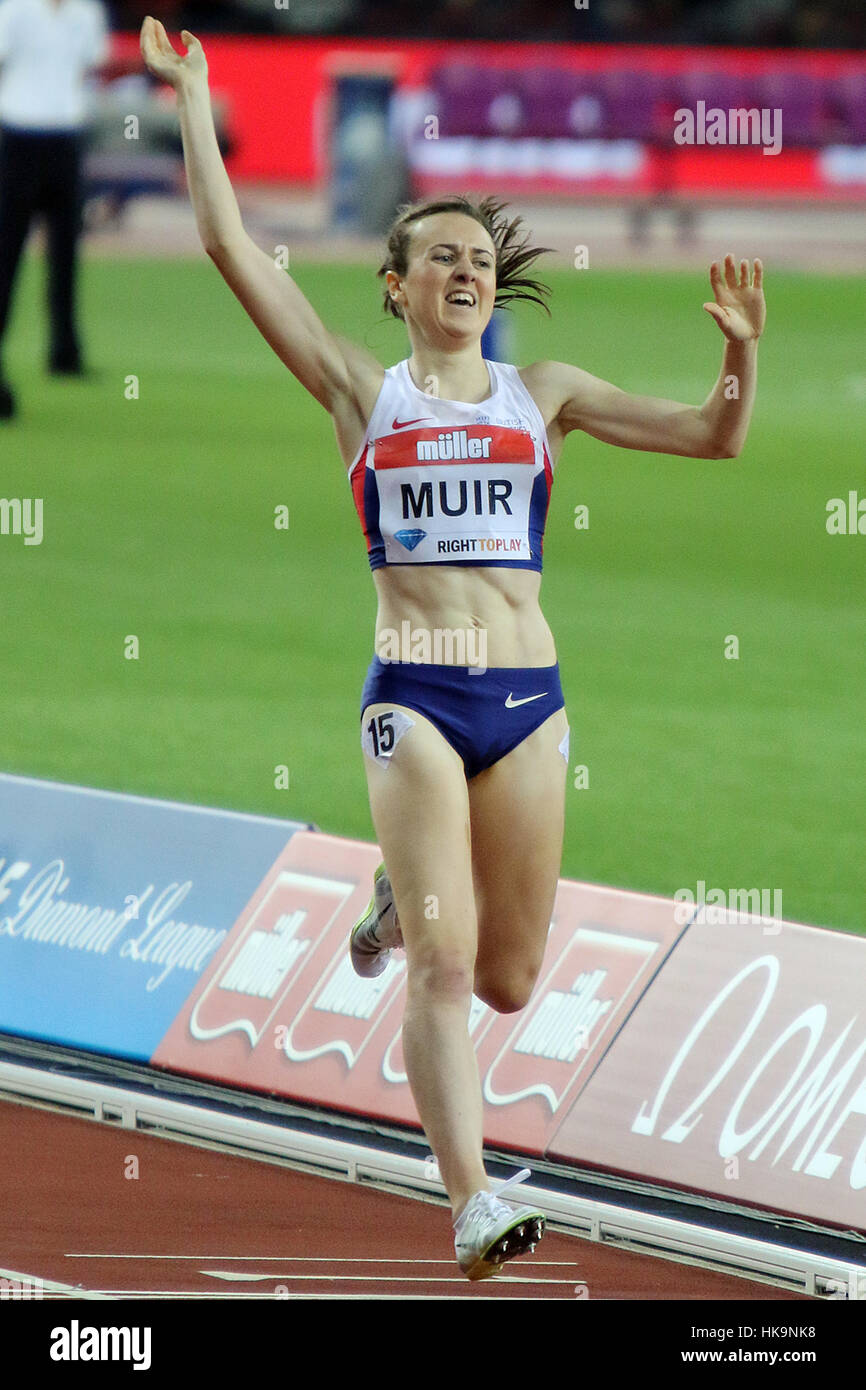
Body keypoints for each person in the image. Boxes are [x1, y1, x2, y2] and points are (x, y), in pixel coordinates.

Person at [139, 17, 766, 1281]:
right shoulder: (361, 392)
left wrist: (738, 361)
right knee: (442, 960)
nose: (466, 271)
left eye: (480, 256)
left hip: (527, 700)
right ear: (397, 283)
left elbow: (713, 440)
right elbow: (224, 245)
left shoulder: (550, 394)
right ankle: (472, 1200)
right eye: (440, 256)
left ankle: (389, 885)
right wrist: (197, 100)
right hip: (413, 697)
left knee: (509, 975)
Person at [0, 0, 110, 419]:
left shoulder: (86, 12)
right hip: (18, 133)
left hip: (65, 133)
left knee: (66, 249)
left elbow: (90, 65)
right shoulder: (16, 9)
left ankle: (65, 350)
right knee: (7, 251)